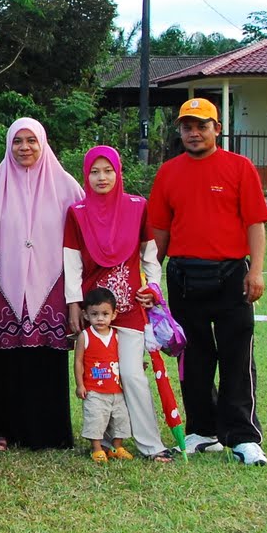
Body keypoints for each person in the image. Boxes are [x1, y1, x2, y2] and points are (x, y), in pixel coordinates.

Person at [147, 97, 267, 466]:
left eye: (202, 125)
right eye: (187, 126)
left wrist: (256, 270)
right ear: (180, 131)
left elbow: (255, 223)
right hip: (184, 276)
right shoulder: (168, 172)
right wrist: (152, 281)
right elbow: (160, 232)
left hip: (232, 275)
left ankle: (244, 437)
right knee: (193, 357)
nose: (194, 132)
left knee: (237, 357)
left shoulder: (239, 167)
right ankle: (202, 430)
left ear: (217, 128)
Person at [0, 118, 83, 451]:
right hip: (2, 284)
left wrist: (76, 297)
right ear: (9, 145)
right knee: (2, 359)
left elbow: (77, 244)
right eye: (17, 141)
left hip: (52, 284)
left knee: (44, 358)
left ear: (43, 142)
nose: (24, 148)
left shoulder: (68, 188)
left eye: (31, 141)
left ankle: (45, 431)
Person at [63, 145, 172, 461]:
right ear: (86, 175)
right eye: (94, 172)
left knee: (132, 373)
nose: (101, 177)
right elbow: (71, 262)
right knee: (99, 373)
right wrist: (74, 305)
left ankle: (151, 445)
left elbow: (150, 255)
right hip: (96, 313)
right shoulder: (77, 213)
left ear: (118, 172)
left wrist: (153, 287)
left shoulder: (138, 207)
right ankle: (108, 440)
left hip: (129, 309)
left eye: (108, 170)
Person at [74, 287, 134, 462]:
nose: (100, 318)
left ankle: (116, 447)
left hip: (116, 389)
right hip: (94, 390)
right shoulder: (85, 336)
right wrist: (80, 384)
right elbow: (78, 361)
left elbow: (122, 358)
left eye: (105, 314)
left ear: (113, 315)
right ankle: (97, 448)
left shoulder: (116, 335)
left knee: (120, 418)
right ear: (86, 315)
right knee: (96, 419)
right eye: (95, 314)